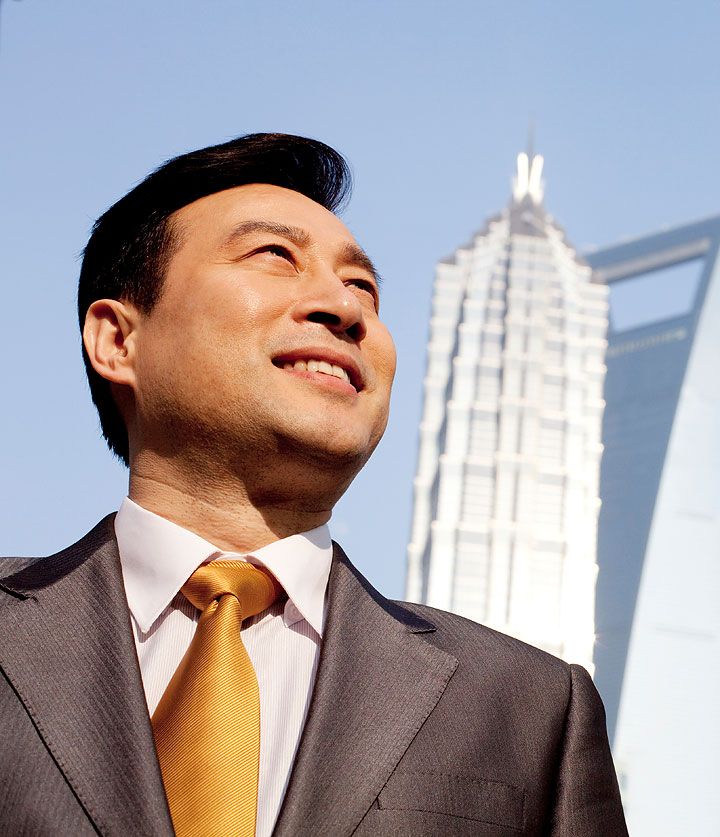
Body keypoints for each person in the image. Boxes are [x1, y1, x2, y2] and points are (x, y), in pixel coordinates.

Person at [0, 133, 628, 837]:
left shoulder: (529, 706)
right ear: (119, 339)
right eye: (274, 256)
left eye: (362, 286)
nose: (344, 307)